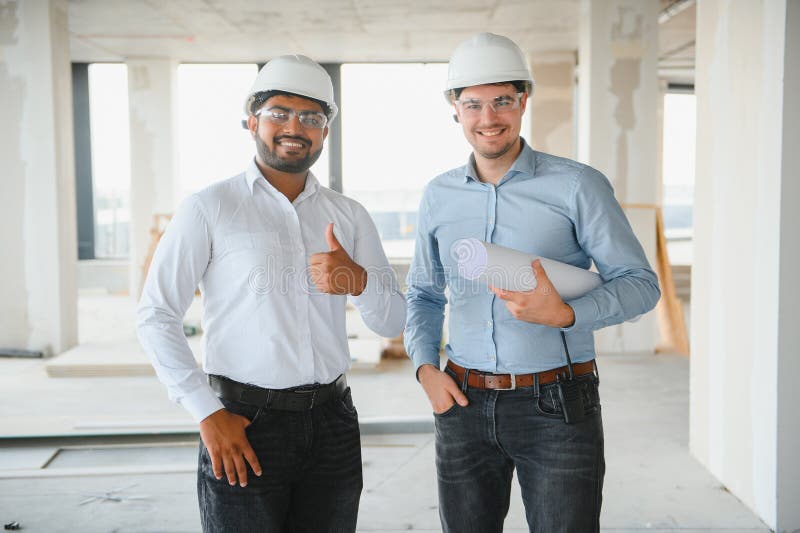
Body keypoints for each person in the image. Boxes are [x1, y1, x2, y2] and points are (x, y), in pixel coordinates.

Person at [137, 54, 406, 533]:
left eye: (311, 117)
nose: (294, 127)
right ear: (251, 121)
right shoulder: (210, 207)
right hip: (242, 420)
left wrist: (357, 281)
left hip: (333, 421)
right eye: (279, 112)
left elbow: (390, 322)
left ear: (325, 131)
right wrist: (207, 412)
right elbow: (156, 314)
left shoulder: (350, 216)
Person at [404, 33, 661, 533]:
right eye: (473, 103)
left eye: (502, 100)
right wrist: (424, 370)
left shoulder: (576, 185)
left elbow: (639, 283)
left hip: (558, 404)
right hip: (462, 399)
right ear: (455, 110)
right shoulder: (438, 196)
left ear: (523, 100)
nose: (488, 117)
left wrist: (567, 315)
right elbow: (425, 293)